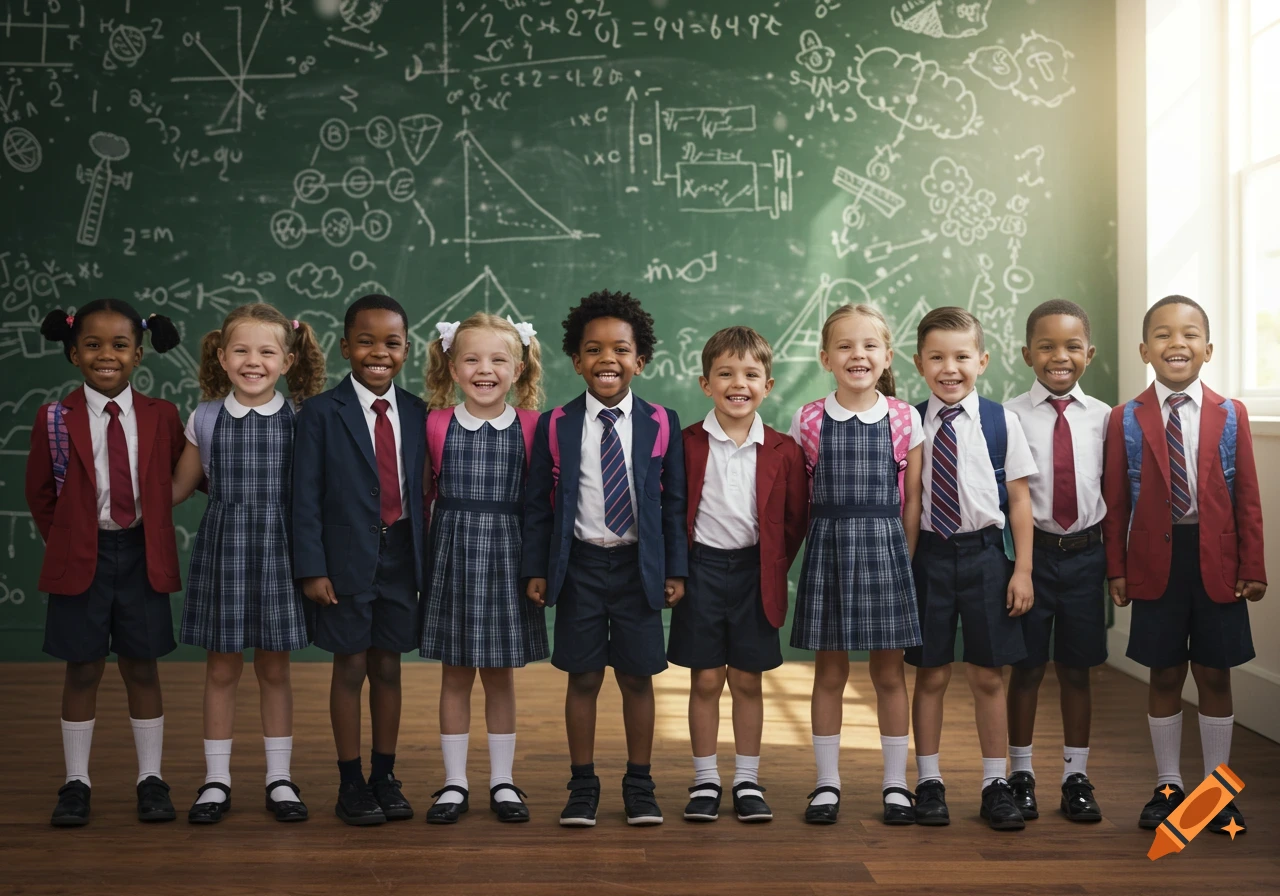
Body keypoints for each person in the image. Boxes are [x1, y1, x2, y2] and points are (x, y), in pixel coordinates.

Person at [522, 290, 687, 827]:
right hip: (582, 568)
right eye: (593, 350)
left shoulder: (663, 421)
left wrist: (674, 569)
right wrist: (538, 569)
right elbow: (538, 507)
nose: (607, 360)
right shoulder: (555, 424)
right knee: (584, 677)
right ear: (576, 360)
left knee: (639, 677)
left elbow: (674, 504)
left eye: (621, 349)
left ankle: (639, 784)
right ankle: (582, 785)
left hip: (639, 565)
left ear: (640, 360)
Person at [1102, 294, 1265, 835]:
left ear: (1209, 349)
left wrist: (1253, 564)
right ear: (1146, 349)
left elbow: (1247, 497)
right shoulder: (1126, 418)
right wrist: (1116, 569)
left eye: (1190, 334)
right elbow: (1116, 500)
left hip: (1216, 561)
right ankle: (1168, 785)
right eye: (1165, 335)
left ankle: (1217, 792)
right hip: (1155, 562)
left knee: (1215, 673)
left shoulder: (1230, 412)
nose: (1178, 343)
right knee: (1165, 670)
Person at [27, 300, 184, 826]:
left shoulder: (162, 415)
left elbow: (185, 473)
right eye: (92, 345)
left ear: (139, 354)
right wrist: (73, 541)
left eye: (119, 345)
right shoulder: (54, 418)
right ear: (74, 353)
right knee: (83, 668)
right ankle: (76, 782)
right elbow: (41, 496)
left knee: (142, 666)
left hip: (141, 553)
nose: (106, 355)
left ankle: (151, 779)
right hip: (83, 554)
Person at [172, 303, 326, 823]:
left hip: (282, 551)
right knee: (220, 668)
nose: (252, 361)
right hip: (226, 551)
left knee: (275, 668)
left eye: (266, 351)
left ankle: (279, 777)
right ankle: (216, 780)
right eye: (240, 350)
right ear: (221, 356)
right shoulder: (207, 417)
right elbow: (177, 487)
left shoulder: (303, 418)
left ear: (286, 360)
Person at [292, 294, 427, 825]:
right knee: (349, 665)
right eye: (365, 341)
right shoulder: (322, 413)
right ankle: (351, 782)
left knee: (389, 666)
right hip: (343, 560)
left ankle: (384, 776)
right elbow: (304, 496)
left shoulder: (418, 412)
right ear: (345, 347)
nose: (378, 352)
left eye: (391, 343)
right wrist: (312, 567)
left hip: (400, 555)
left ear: (406, 350)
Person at [671, 326, 808, 824]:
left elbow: (794, 523)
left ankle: (747, 780)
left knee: (748, 681)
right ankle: (706, 780)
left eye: (751, 374)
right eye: (725, 373)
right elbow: (673, 512)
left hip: (754, 574)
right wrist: (678, 571)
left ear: (767, 385)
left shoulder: (783, 450)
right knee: (705, 680)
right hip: (701, 571)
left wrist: (770, 566)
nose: (738, 383)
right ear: (705, 383)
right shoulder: (684, 444)